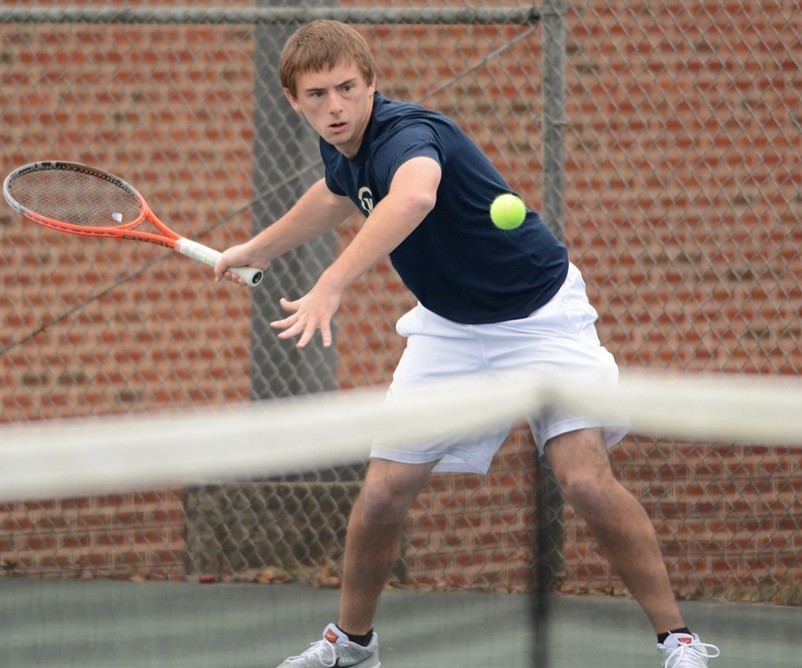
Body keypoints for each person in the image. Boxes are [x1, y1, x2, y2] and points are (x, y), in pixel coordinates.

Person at [214, 19, 720, 668]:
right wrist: (255, 248)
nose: (334, 106)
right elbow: (337, 195)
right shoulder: (341, 145)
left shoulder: (409, 136)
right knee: (382, 493)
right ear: (294, 100)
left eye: (346, 89)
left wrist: (333, 281)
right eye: (316, 96)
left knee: (586, 483)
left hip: (541, 318)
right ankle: (353, 645)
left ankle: (677, 641)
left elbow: (415, 196)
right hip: (450, 330)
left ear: (374, 83)